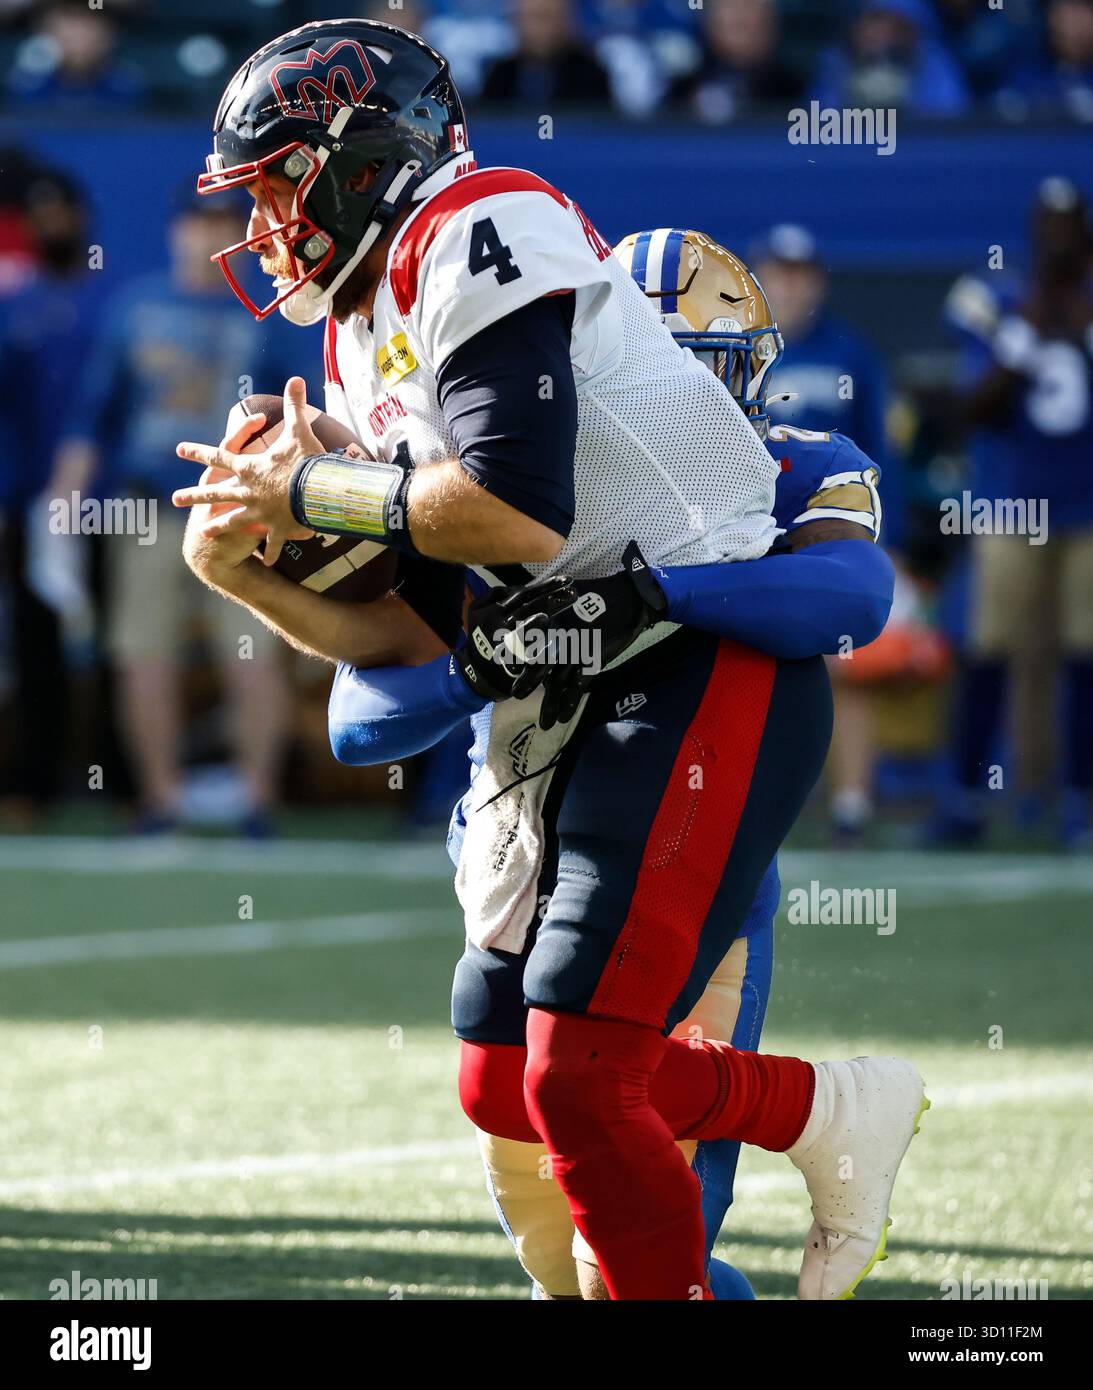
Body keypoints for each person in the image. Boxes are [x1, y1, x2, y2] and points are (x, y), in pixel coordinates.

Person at [174, 18, 925, 1299]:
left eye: (279, 181)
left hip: (691, 666)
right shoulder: (357, 332)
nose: (262, 223)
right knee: (501, 1076)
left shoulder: (480, 219)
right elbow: (406, 649)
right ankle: (818, 1107)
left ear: (361, 159)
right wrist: (245, 567)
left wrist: (317, 489)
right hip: (560, 712)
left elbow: (520, 510)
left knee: (583, 1075)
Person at [325, 227, 898, 1299]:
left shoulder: (791, 465)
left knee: (625, 1259)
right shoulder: (494, 489)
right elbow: (357, 720)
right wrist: (474, 667)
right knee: (549, 1226)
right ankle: (820, 1105)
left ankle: (820, 1111)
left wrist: (653, 594)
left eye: (702, 374)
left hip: (687, 864)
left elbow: (850, 600)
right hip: (513, 860)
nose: (680, 404)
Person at [50, 191, 296, 836]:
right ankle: (161, 802)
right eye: (198, 222)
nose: (208, 236)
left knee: (251, 654)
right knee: (144, 654)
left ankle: (257, 802)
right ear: (176, 230)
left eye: (221, 223)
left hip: (239, 507)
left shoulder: (265, 315)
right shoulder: (137, 309)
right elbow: (92, 417)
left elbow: (297, 422)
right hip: (147, 509)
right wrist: (64, 500)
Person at [931, 177, 1093, 848]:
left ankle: (1076, 798)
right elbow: (972, 405)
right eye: (1047, 226)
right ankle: (966, 797)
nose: (1057, 240)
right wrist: (1019, 338)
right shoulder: (999, 300)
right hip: (1011, 501)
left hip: (1086, 505)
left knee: (1083, 651)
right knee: (988, 646)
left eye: (1068, 226)